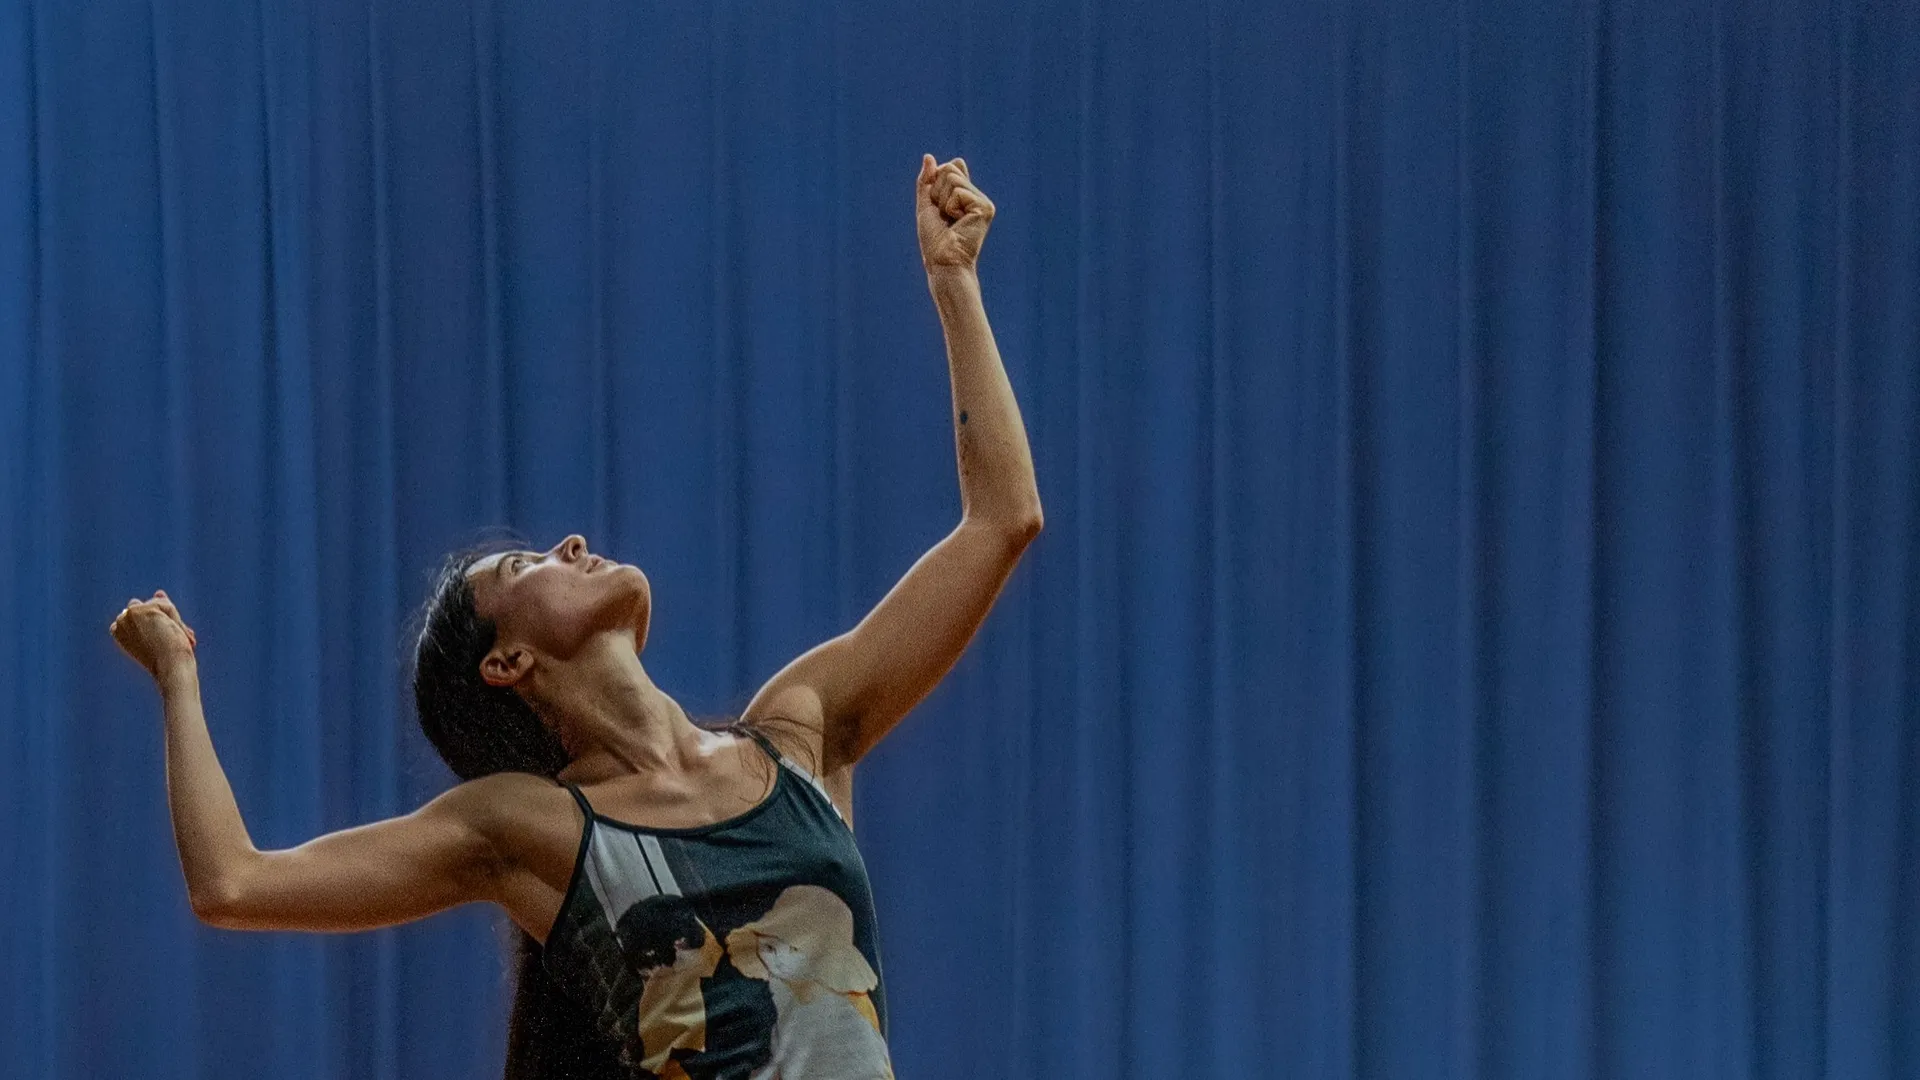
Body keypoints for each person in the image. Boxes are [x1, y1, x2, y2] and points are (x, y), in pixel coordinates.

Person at [108, 153, 1041, 1079]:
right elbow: (233, 882)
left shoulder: (800, 731)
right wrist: (180, 679)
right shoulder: (527, 829)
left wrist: (952, 281)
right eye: (524, 565)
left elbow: (1003, 519)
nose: (571, 542)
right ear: (506, 662)